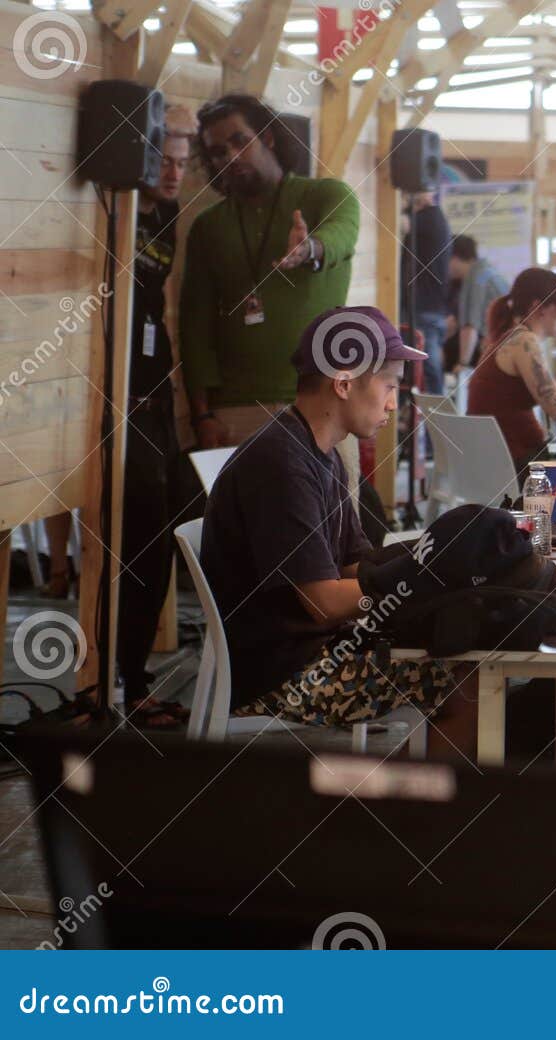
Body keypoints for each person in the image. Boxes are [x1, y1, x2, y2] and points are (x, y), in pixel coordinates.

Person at [200, 307, 474, 756]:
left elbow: (354, 565)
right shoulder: (281, 464)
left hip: (322, 649)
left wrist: (435, 561)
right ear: (343, 383)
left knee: (467, 648)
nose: (393, 404)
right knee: (468, 676)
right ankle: (418, 802)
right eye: (389, 386)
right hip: (286, 677)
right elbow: (324, 603)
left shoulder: (320, 450)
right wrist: (410, 586)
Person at [182, 94, 360, 449]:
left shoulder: (326, 195)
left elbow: (342, 236)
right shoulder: (208, 227)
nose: (231, 156)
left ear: (267, 138)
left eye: (240, 141)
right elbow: (195, 327)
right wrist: (201, 415)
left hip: (323, 403)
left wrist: (310, 249)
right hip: (235, 410)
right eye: (218, 152)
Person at [119, 104, 195, 725]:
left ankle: (134, 680)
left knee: (162, 541)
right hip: (120, 404)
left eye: (182, 163)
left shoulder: (167, 216)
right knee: (136, 546)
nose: (173, 173)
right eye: (163, 160)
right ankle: (121, 685)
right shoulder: (113, 210)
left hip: (159, 398)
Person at [465, 267, 556, 466]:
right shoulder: (524, 342)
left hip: (494, 462)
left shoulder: (509, 337)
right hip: (515, 465)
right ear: (539, 307)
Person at [402, 191, 453, 394]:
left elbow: (401, 224)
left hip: (424, 310)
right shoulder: (434, 219)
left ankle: (437, 415)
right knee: (423, 372)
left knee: (428, 373)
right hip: (428, 309)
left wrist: (403, 205)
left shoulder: (428, 219)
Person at [450, 235, 509, 368]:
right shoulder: (488, 271)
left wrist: (462, 364)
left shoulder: (474, 277)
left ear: (454, 259)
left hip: (496, 348)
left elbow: (471, 325)